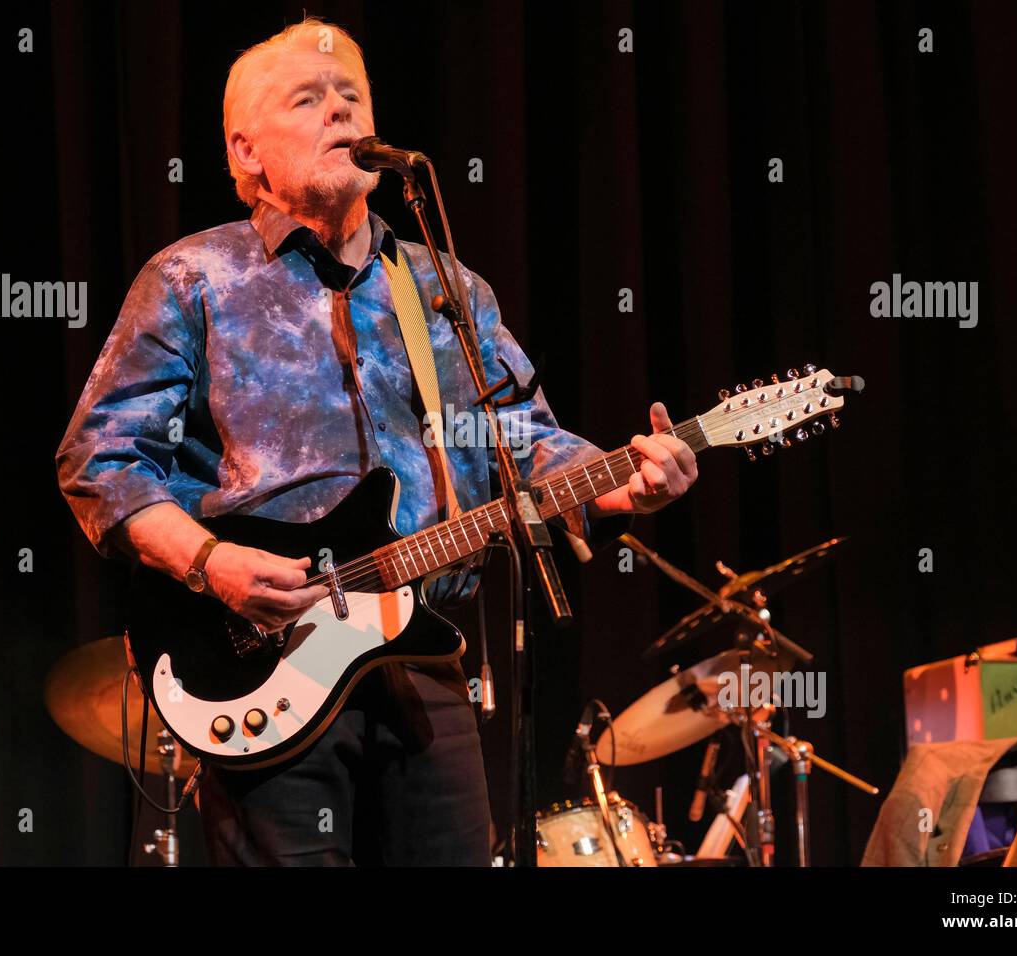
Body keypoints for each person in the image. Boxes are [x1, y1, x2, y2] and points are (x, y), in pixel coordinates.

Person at [55, 17, 698, 866]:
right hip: (260, 659)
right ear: (247, 152)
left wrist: (621, 480)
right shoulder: (193, 278)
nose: (339, 112)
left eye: (351, 95)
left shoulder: (443, 285)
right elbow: (101, 457)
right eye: (309, 98)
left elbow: (523, 439)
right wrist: (213, 563)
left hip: (422, 654)